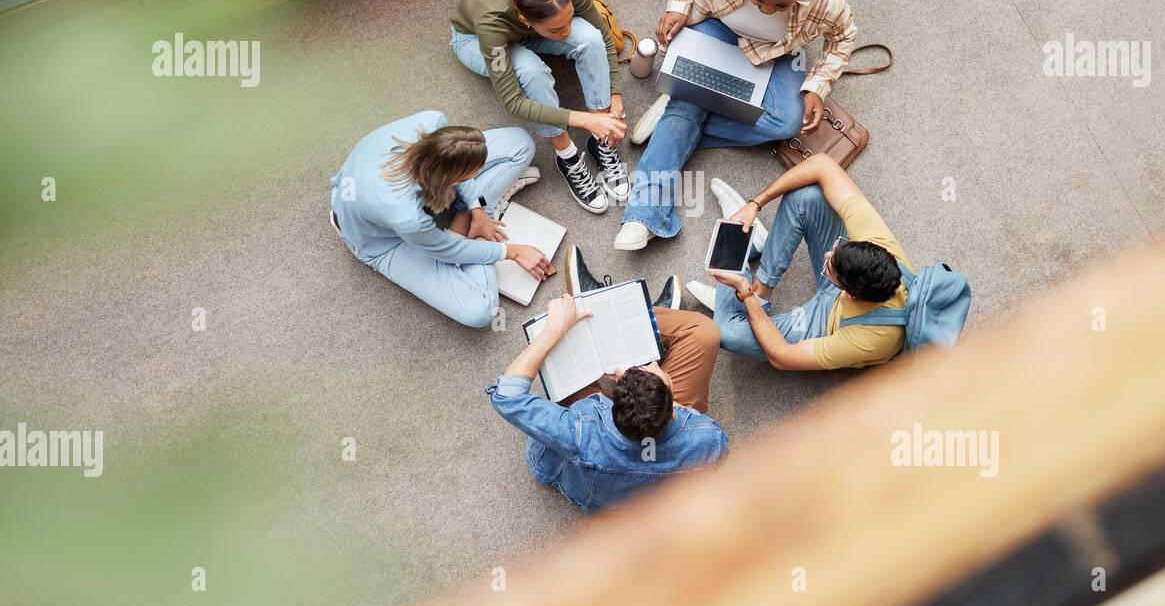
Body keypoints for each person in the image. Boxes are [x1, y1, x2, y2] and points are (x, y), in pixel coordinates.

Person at [614, 0, 860, 251]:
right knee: (687, 108)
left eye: (780, 5)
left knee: (787, 123)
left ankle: (674, 121)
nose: (767, 10)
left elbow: (844, 36)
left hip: (776, 52)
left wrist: (817, 86)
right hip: (717, 28)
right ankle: (644, 216)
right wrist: (679, 4)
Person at [486, 257, 727, 513]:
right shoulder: (708, 438)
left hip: (590, 474)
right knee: (703, 332)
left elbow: (506, 396)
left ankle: (596, 310)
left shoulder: (578, 431)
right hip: (655, 485)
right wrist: (661, 389)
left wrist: (552, 330)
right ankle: (644, 327)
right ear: (673, 407)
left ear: (612, 404)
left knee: (562, 355)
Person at [685, 154, 913, 371]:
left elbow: (782, 357)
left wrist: (744, 292)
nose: (826, 255)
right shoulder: (881, 246)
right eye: (837, 248)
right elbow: (822, 164)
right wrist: (755, 204)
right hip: (855, 287)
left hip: (832, 321)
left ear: (849, 294)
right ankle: (759, 291)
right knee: (806, 196)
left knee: (726, 332)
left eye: (830, 266)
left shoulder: (869, 339)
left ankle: (735, 292)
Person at [330, 110, 554, 328]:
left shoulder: (433, 121)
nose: (474, 176)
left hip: (387, 194)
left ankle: (474, 215)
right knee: (482, 311)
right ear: (450, 181)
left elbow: (456, 166)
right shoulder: (407, 216)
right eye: (469, 176)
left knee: (521, 143)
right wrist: (511, 252)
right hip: (379, 242)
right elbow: (447, 250)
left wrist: (477, 209)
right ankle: (476, 225)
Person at [451, 0, 630, 214]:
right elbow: (514, 102)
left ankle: (601, 139)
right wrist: (584, 120)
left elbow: (601, 34)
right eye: (558, 30)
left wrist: (615, 95)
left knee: (589, 39)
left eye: (569, 19)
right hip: (475, 39)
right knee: (531, 71)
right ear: (524, 19)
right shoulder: (492, 23)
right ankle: (567, 157)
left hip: (533, 31)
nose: (567, 32)